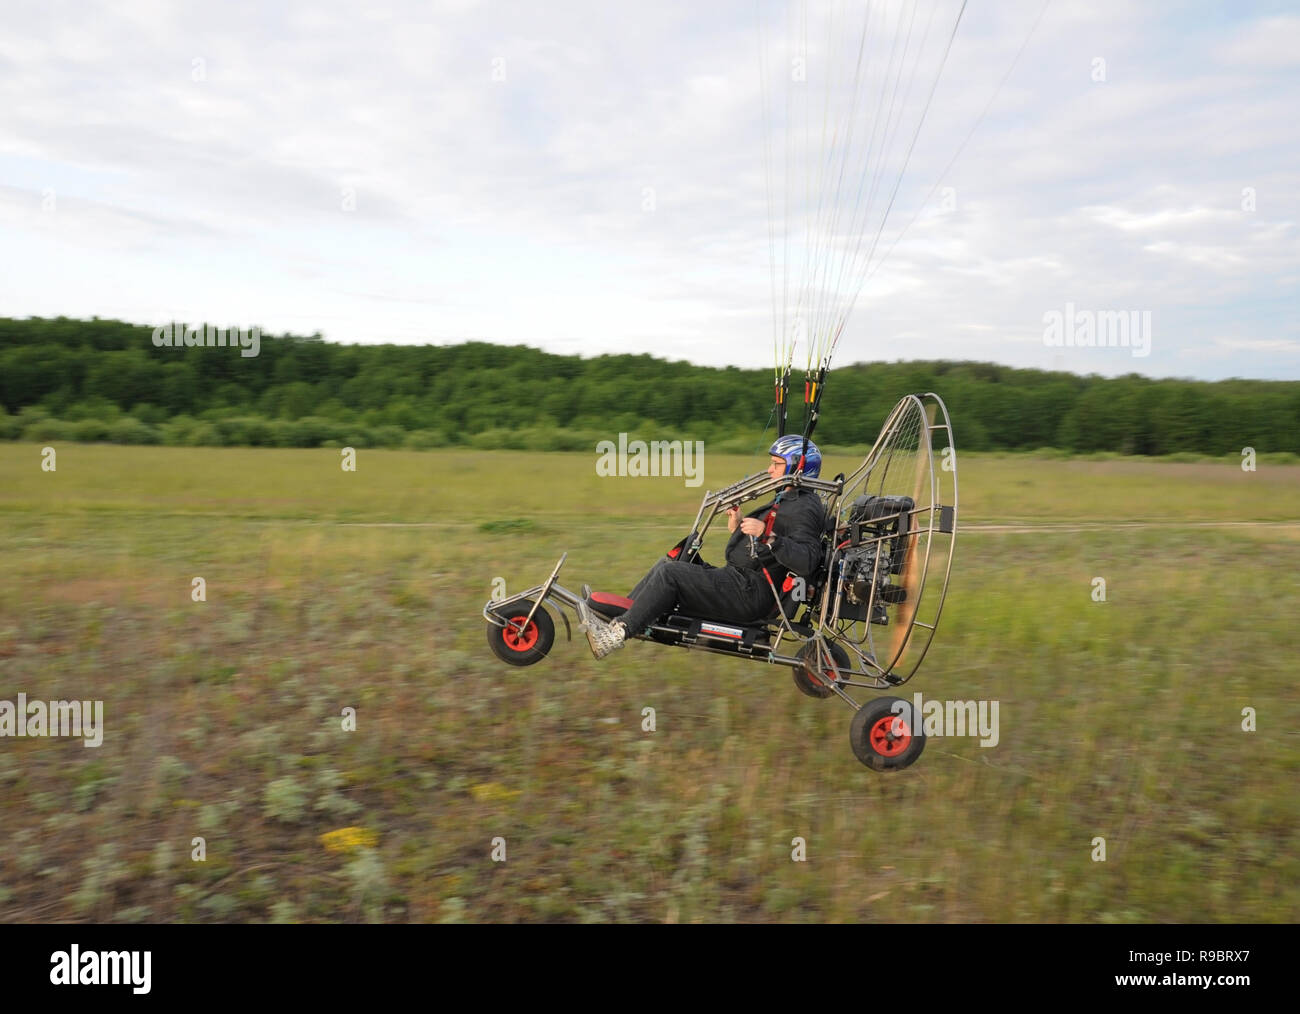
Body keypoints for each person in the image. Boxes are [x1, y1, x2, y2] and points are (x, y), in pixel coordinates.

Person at [577, 435, 827, 659]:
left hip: (749, 594)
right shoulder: (789, 498)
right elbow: (763, 550)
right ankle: (624, 615)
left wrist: (768, 536)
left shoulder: (805, 508)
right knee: (675, 559)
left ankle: (615, 636)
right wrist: (738, 527)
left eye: (776, 464)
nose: (769, 469)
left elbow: (807, 559)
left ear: (798, 466)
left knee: (671, 575)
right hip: (739, 580)